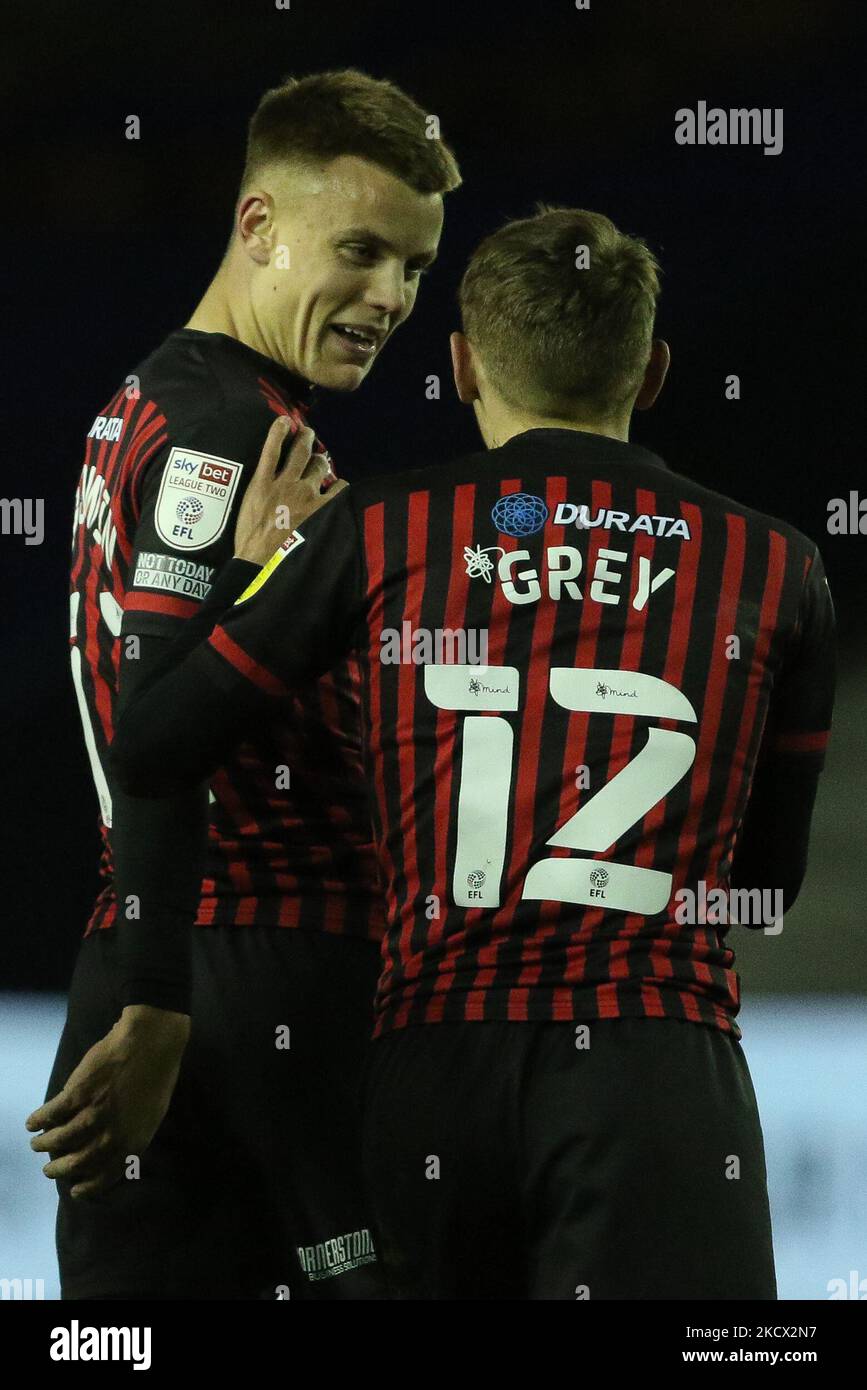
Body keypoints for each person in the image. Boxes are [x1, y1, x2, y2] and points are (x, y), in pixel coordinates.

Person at [109, 207, 836, 1300]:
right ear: (653, 372)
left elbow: (154, 741)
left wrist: (255, 571)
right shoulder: (777, 567)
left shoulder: (375, 529)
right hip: (656, 1072)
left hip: (433, 1067)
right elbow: (767, 892)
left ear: (458, 365)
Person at [26, 68, 459, 1301]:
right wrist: (160, 1005)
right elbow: (160, 722)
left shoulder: (147, 403)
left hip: (155, 957)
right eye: (363, 249)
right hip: (255, 974)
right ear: (259, 225)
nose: (390, 298)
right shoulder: (232, 434)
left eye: (416, 268)